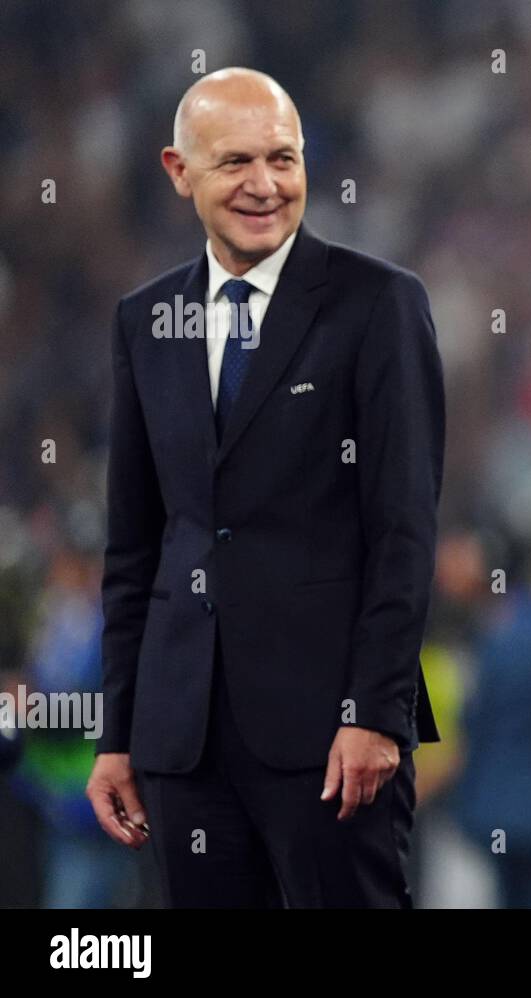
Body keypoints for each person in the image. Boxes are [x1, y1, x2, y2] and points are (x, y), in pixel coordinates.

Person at [85, 68, 445, 907]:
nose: (265, 185)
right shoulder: (144, 320)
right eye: (236, 162)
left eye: (283, 159)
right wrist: (117, 734)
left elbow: (404, 530)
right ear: (179, 171)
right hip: (181, 742)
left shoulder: (379, 303)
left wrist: (374, 712)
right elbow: (135, 548)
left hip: (331, 736)